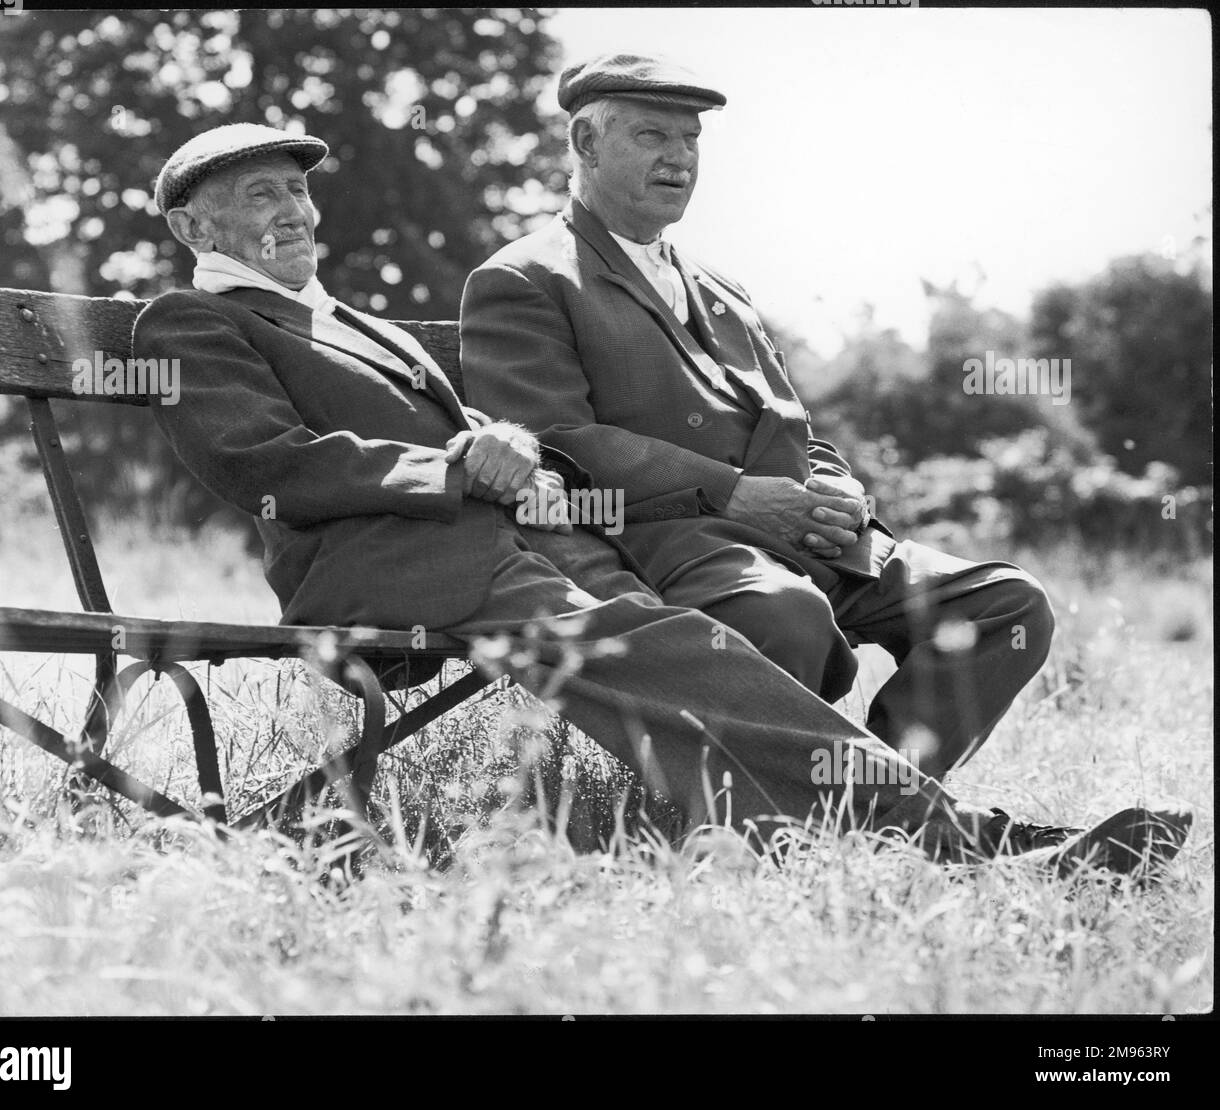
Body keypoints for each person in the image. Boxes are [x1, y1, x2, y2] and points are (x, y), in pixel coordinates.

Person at [132, 122, 1189, 875]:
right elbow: (262, 464)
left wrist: (515, 464)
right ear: (194, 228)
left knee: (682, 638)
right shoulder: (189, 325)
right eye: (258, 197)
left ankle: (864, 834)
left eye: (297, 191)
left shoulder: (368, 324)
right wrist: (454, 468)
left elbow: (503, 452)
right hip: (380, 570)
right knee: (669, 645)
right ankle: (947, 841)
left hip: (504, 554)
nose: (292, 213)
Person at [460, 53, 1063, 785]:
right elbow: (556, 444)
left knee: (1006, 603)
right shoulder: (524, 278)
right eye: (653, 136)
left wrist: (844, 492)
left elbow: (792, 426)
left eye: (692, 140)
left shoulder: (722, 287)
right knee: (787, 615)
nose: (680, 157)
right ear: (587, 144)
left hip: (809, 536)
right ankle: (836, 813)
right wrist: (737, 495)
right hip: (672, 546)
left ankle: (877, 806)